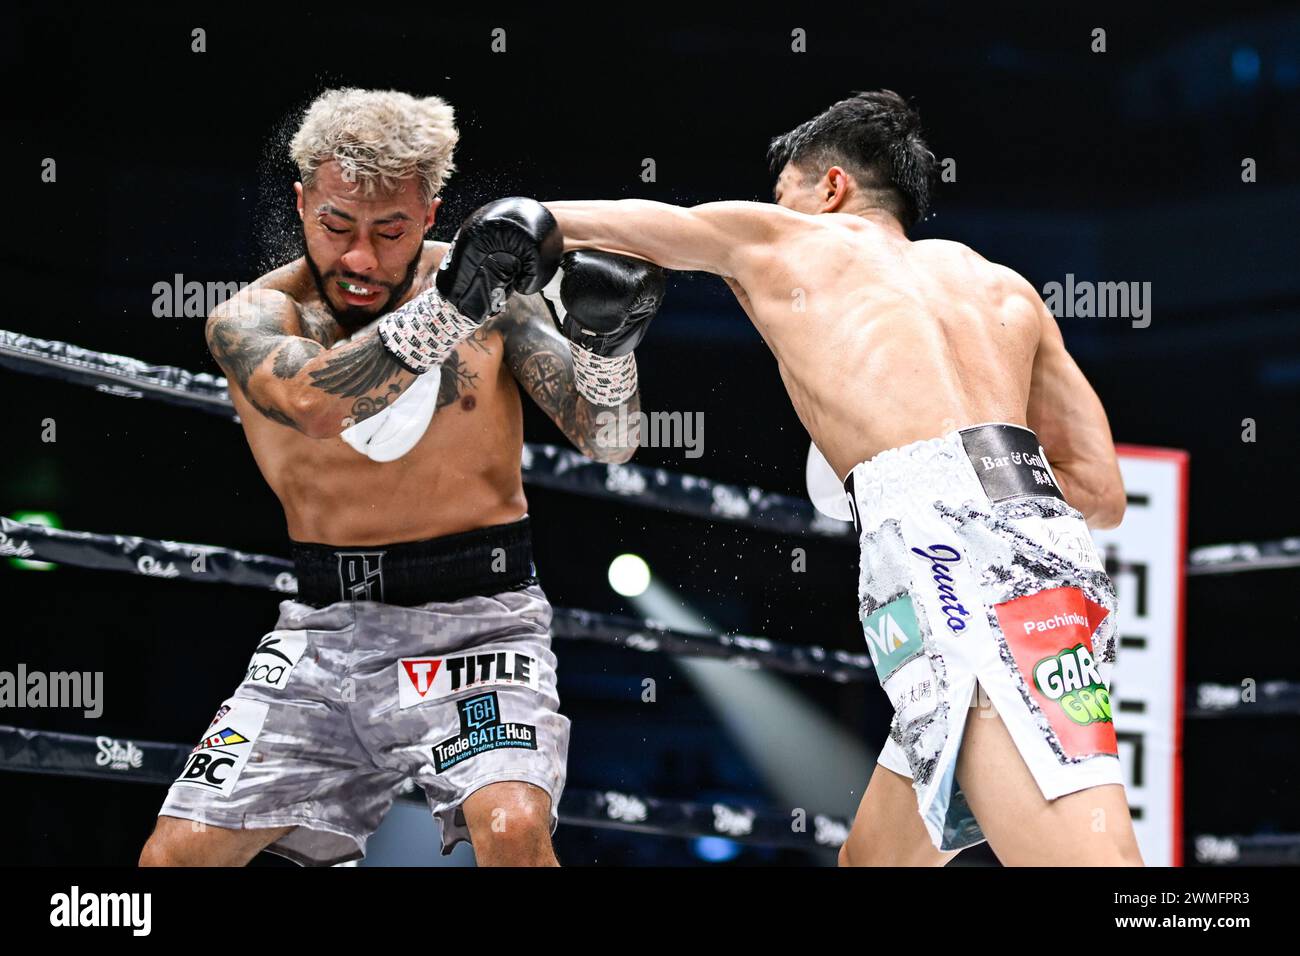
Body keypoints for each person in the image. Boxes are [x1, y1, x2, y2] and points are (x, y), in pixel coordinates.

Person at [543, 90, 1141, 866]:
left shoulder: (786, 239)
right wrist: (942, 467)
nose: (775, 209)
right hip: (1041, 562)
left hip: (948, 571)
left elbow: (575, 224)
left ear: (830, 187)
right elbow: (1102, 492)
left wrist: (442, 240)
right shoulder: (1003, 287)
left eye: (784, 192)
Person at [138, 88, 663, 867]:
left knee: (515, 827)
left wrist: (608, 349)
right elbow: (318, 403)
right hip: (321, 632)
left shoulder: (502, 302)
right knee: (171, 859)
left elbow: (609, 440)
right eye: (336, 226)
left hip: (480, 624)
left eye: (390, 232)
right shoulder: (250, 319)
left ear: (429, 212)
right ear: (302, 202)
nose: (361, 258)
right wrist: (453, 306)